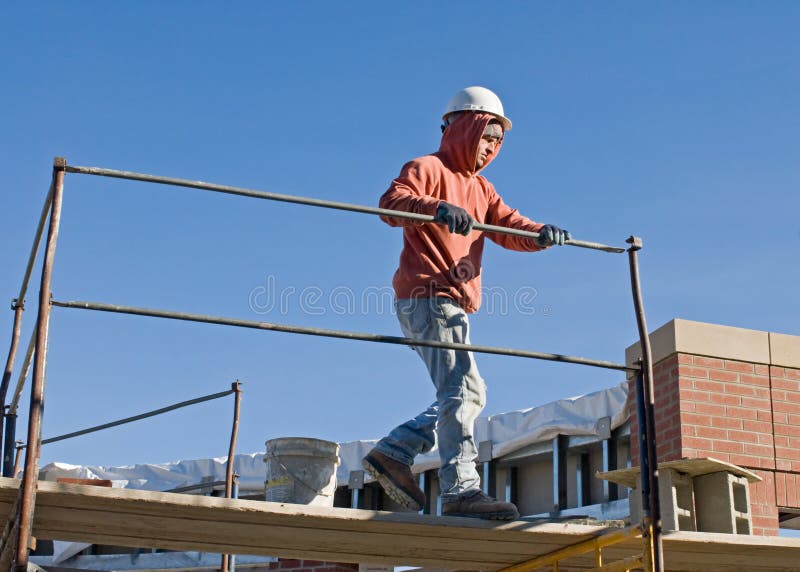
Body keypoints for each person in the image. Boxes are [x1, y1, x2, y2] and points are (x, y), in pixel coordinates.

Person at [362, 86, 570, 520]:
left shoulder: (482, 189)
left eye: (498, 141)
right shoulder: (426, 168)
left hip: (448, 302)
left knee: (464, 392)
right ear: (462, 129)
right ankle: (460, 490)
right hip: (428, 293)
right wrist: (435, 208)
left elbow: (508, 225)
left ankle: (396, 450)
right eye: (485, 136)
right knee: (465, 389)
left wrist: (541, 234)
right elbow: (391, 203)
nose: (491, 148)